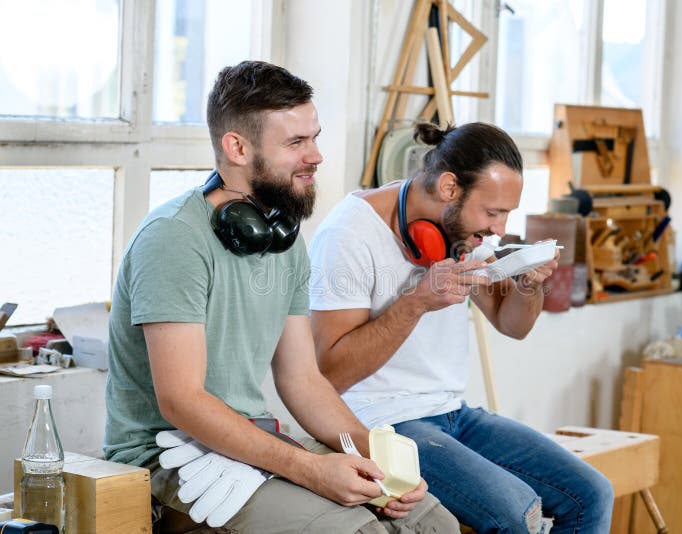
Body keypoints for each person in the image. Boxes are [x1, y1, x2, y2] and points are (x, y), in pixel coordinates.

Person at [103, 60, 458, 534]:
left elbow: (303, 380)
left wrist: (379, 459)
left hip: (249, 441)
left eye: (314, 137)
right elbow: (182, 402)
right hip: (170, 457)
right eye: (296, 143)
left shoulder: (282, 240)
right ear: (237, 147)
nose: (316, 156)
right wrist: (312, 470)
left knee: (432, 524)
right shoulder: (173, 239)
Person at [308, 122, 615, 534]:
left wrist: (529, 285)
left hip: (454, 415)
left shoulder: (460, 231)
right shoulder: (349, 235)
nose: (501, 229)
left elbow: (512, 325)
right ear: (450, 188)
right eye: (494, 213)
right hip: (384, 422)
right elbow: (329, 375)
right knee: (517, 512)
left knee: (592, 494)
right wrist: (416, 302)